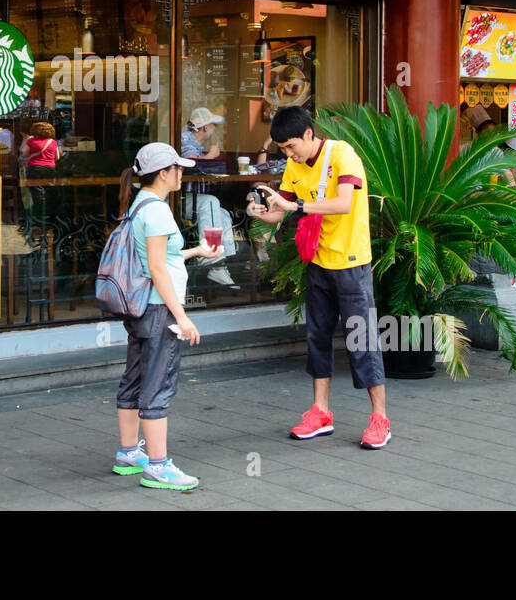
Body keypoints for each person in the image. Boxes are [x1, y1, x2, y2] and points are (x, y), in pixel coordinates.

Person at [248, 105, 390, 450]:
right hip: (317, 263)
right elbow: (283, 210)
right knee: (318, 338)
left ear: (309, 134)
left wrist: (295, 207)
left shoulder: (343, 155)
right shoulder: (295, 166)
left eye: (292, 146)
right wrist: (263, 213)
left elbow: (343, 204)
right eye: (282, 149)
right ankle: (320, 412)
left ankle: (380, 419)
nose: (288, 154)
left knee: (362, 340)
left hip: (352, 263)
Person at [113, 142, 222, 491]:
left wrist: (196, 251)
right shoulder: (157, 211)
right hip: (160, 309)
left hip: (142, 307)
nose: (181, 173)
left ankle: (130, 453)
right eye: (178, 168)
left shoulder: (140, 205)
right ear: (164, 173)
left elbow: (160, 257)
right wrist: (183, 317)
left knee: (133, 379)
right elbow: (158, 268)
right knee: (157, 384)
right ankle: (158, 466)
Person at [181, 108, 237, 288]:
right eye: (212, 124)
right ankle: (212, 254)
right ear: (205, 127)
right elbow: (190, 162)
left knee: (222, 213)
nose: (214, 128)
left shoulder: (195, 143)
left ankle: (219, 266)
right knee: (211, 202)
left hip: (190, 198)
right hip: (177, 199)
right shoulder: (185, 138)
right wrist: (211, 156)